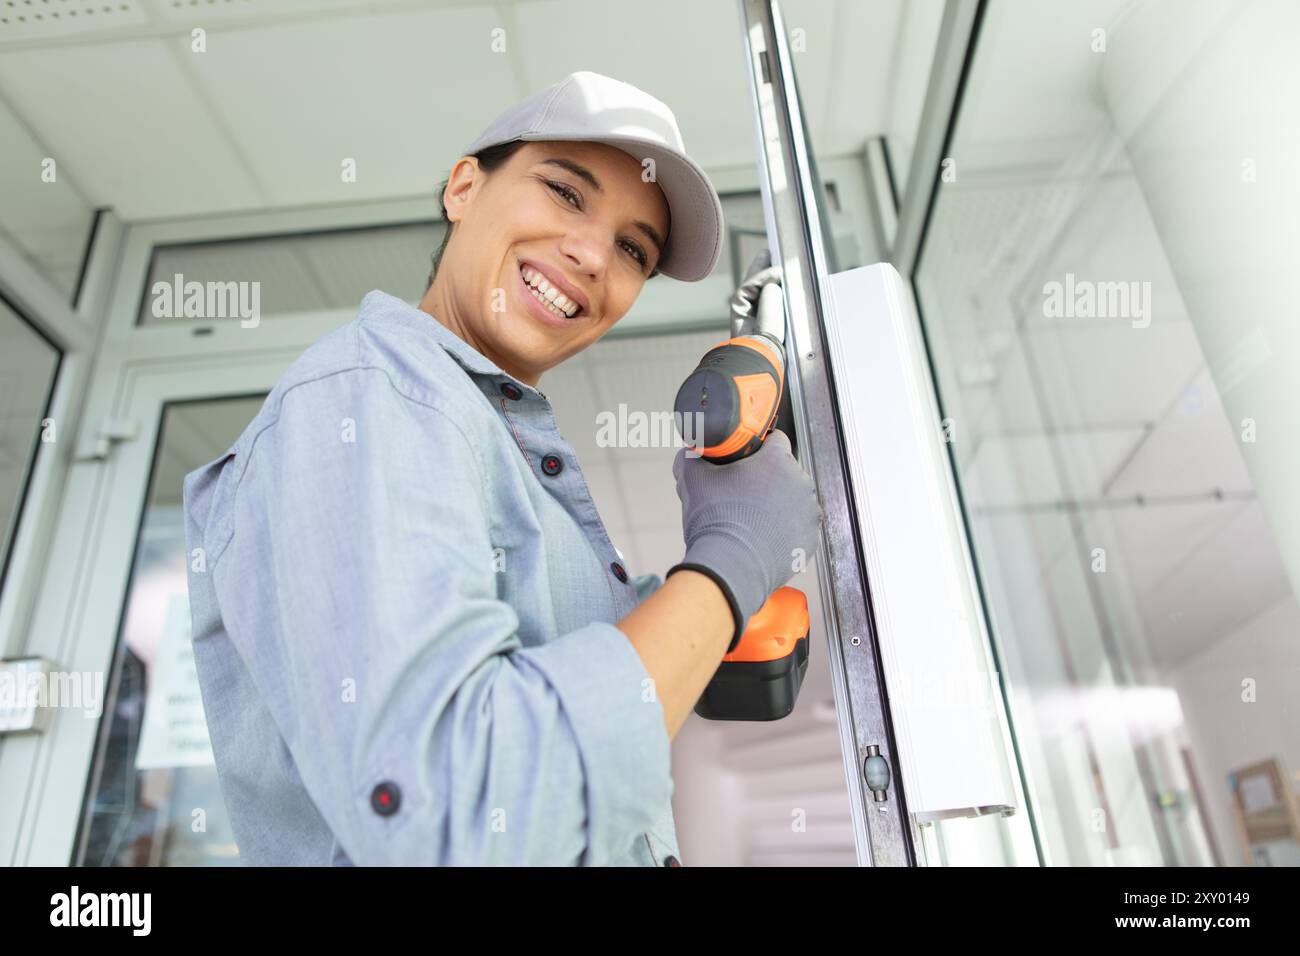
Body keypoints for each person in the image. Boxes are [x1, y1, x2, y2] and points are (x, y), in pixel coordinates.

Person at [181, 71, 822, 866]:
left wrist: (706, 602)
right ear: (462, 186)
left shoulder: (488, 446)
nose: (591, 254)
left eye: (633, 248)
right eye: (564, 192)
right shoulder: (369, 394)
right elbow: (454, 810)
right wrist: (728, 568)